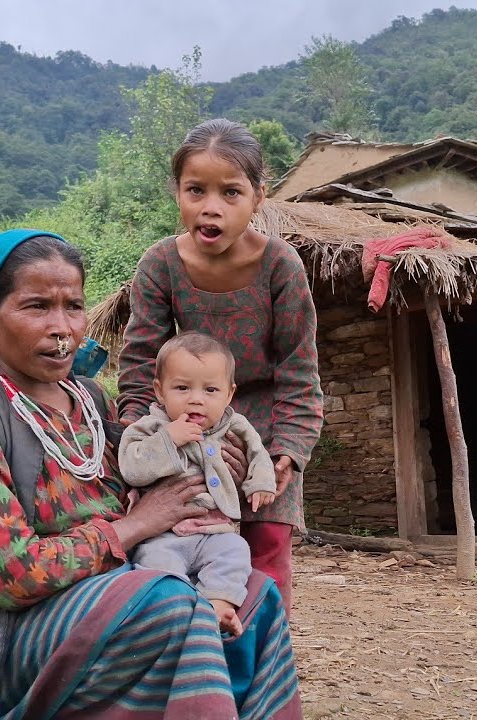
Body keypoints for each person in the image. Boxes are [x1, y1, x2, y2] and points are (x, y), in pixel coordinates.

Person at [0, 228, 302, 720]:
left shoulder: (92, 400)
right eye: (37, 307)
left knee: (256, 597)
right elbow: (11, 576)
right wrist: (135, 526)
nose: (62, 328)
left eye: (73, 306)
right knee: (169, 604)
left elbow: (141, 482)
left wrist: (214, 465)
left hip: (117, 593)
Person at [118, 118, 324, 614]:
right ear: (177, 193)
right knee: (175, 544)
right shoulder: (160, 264)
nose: (211, 207)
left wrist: (289, 451)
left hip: (263, 431)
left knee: (265, 552)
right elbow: (141, 361)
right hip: (184, 427)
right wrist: (140, 436)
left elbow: (298, 369)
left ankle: (259, 650)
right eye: (196, 190)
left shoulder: (281, 266)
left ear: (258, 196)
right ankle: (187, 642)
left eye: (231, 192)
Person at [119, 331, 276, 635]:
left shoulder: (235, 426)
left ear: (229, 394)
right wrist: (168, 440)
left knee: (236, 551)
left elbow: (258, 454)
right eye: (182, 388)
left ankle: (218, 606)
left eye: (210, 390)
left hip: (214, 530)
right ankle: (176, 613)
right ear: (160, 391)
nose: (196, 399)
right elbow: (131, 467)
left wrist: (260, 483)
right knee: (155, 565)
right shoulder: (149, 428)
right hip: (163, 535)